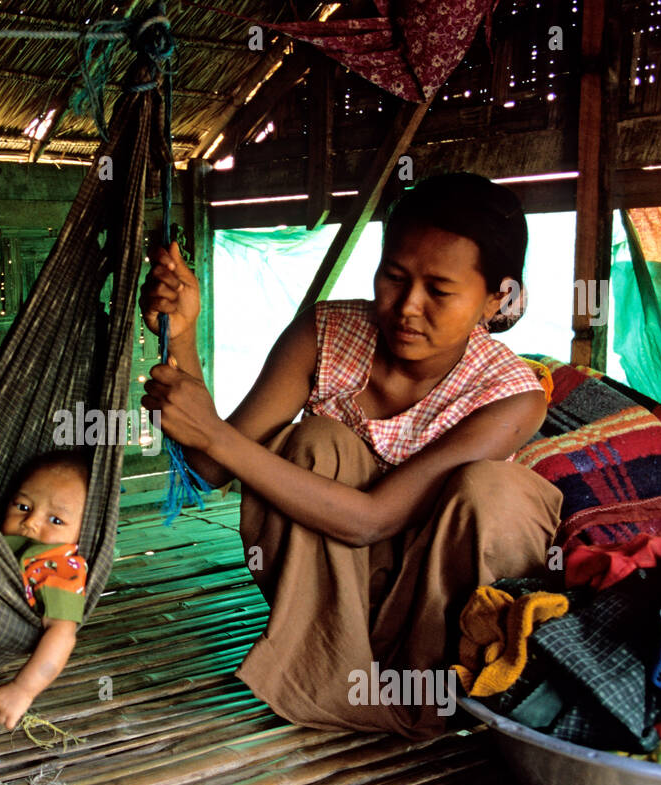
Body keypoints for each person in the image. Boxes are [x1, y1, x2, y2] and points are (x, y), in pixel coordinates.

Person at [138, 172, 563, 739]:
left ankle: (439, 691)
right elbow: (210, 467)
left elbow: (373, 520)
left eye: (439, 290)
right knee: (316, 441)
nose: (408, 307)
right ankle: (328, 670)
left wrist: (215, 434)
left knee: (493, 491)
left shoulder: (512, 395)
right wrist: (184, 337)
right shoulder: (328, 332)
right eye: (394, 277)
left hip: (436, 606)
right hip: (332, 596)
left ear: (495, 298)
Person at [0, 450, 91, 730]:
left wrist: (24, 689)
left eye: (56, 520)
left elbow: (62, 634)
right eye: (22, 506)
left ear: (85, 531)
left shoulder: (59, 567)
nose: (30, 522)